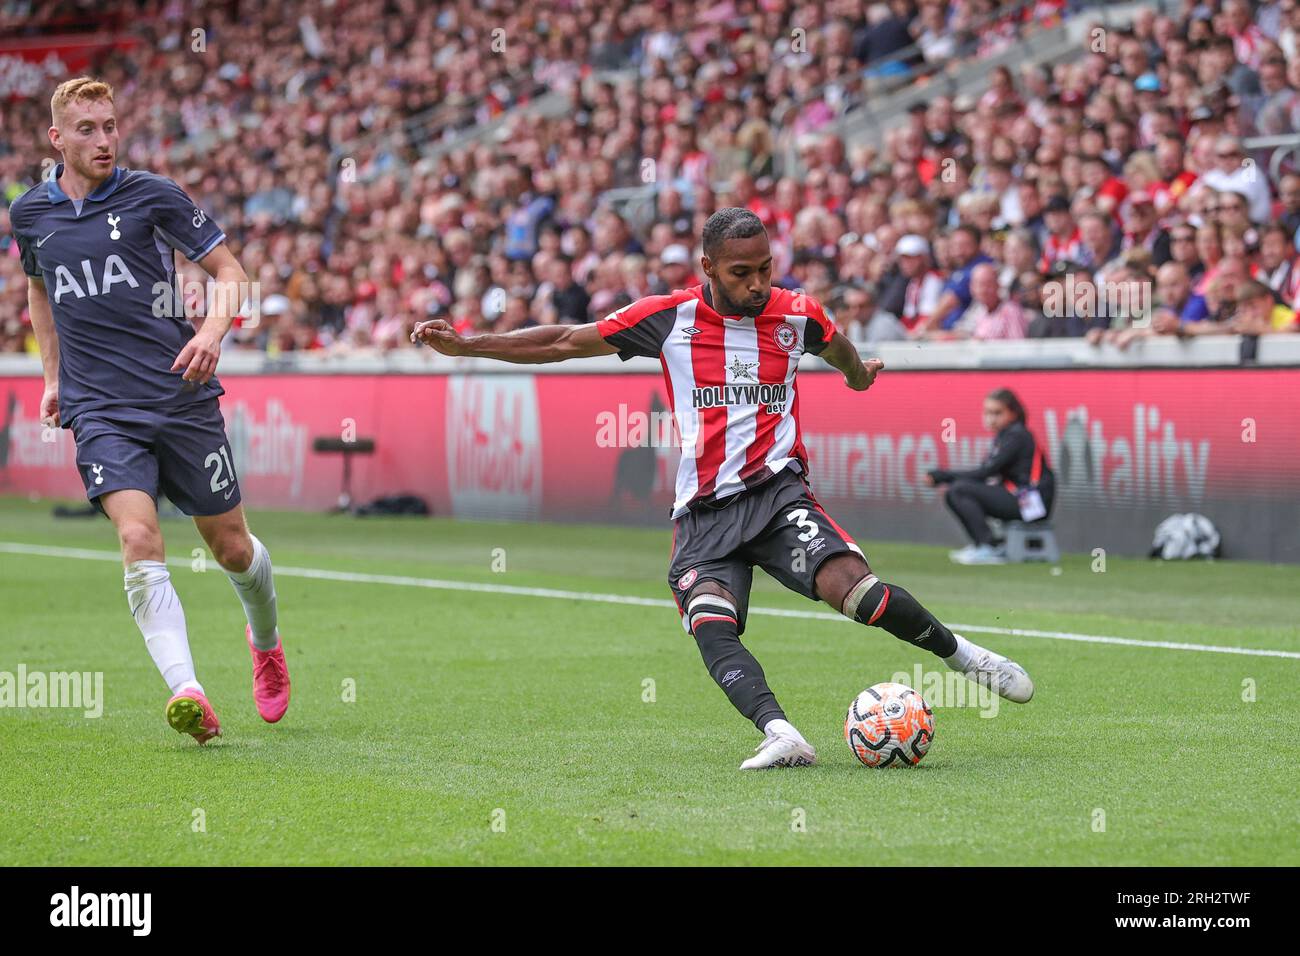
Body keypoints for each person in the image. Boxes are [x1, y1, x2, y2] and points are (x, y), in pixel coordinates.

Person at [412, 207, 1034, 771]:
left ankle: (962, 657)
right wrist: (468, 344)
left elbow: (841, 353)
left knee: (858, 594)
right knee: (712, 622)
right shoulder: (668, 319)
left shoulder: (796, 314)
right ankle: (781, 732)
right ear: (707, 268)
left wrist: (858, 378)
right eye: (742, 273)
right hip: (704, 513)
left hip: (776, 496)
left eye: (765, 269)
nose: (758, 284)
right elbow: (564, 341)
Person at [9, 77, 290, 745]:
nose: (104, 139)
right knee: (139, 539)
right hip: (102, 410)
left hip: (179, 398)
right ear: (58, 139)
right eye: (88, 129)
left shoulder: (151, 196)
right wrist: (53, 377)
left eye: (110, 125)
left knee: (231, 550)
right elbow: (39, 292)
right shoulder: (30, 216)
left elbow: (232, 274)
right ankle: (188, 691)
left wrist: (210, 333)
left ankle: (268, 644)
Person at [926, 389, 1055, 566]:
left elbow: (985, 472)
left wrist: (942, 476)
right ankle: (983, 544)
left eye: (997, 413)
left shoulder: (1017, 435)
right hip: (1023, 499)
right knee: (955, 491)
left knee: (959, 490)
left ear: (1013, 413)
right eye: (987, 413)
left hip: (1032, 504)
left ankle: (990, 547)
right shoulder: (1007, 435)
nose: (991, 418)